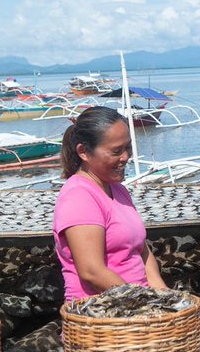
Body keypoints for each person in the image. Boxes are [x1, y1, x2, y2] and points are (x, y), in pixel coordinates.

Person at [52, 106, 166, 301]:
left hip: (138, 305)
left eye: (128, 147)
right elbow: (92, 271)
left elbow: (142, 253)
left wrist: (164, 297)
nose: (126, 157)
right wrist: (143, 301)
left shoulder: (119, 190)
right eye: (116, 151)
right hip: (102, 310)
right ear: (83, 152)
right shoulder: (79, 197)